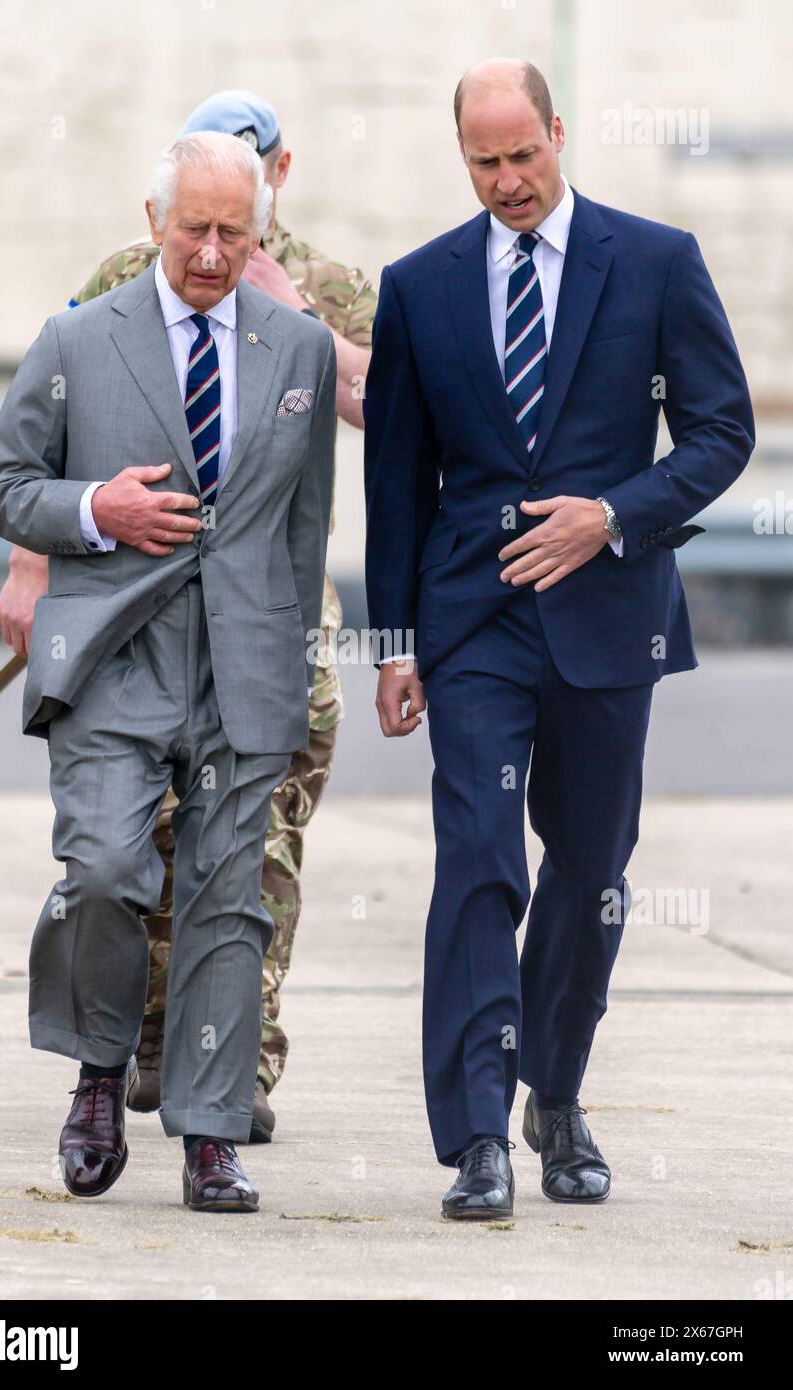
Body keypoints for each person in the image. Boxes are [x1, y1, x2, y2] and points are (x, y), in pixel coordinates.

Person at [363, 58, 754, 1220]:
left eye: (521, 154)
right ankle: (476, 1134)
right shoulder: (419, 285)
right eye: (482, 163)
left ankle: (557, 1096)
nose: (506, 181)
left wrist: (612, 516)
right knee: (477, 859)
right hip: (471, 618)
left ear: (557, 133)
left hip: (606, 620)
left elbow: (719, 430)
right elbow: (394, 477)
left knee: (587, 876)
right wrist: (393, 640)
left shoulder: (653, 261)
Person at [0, 91, 376, 1140]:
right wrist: (46, 551)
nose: (211, 247)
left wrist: (292, 313)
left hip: (259, 634)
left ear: (275, 177)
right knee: (118, 864)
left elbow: (378, 419)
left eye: (234, 216)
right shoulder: (116, 286)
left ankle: (228, 1091)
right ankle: (114, 1059)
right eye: (193, 221)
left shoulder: (321, 294)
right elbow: (38, 443)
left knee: (249, 874)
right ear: (162, 206)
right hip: (125, 632)